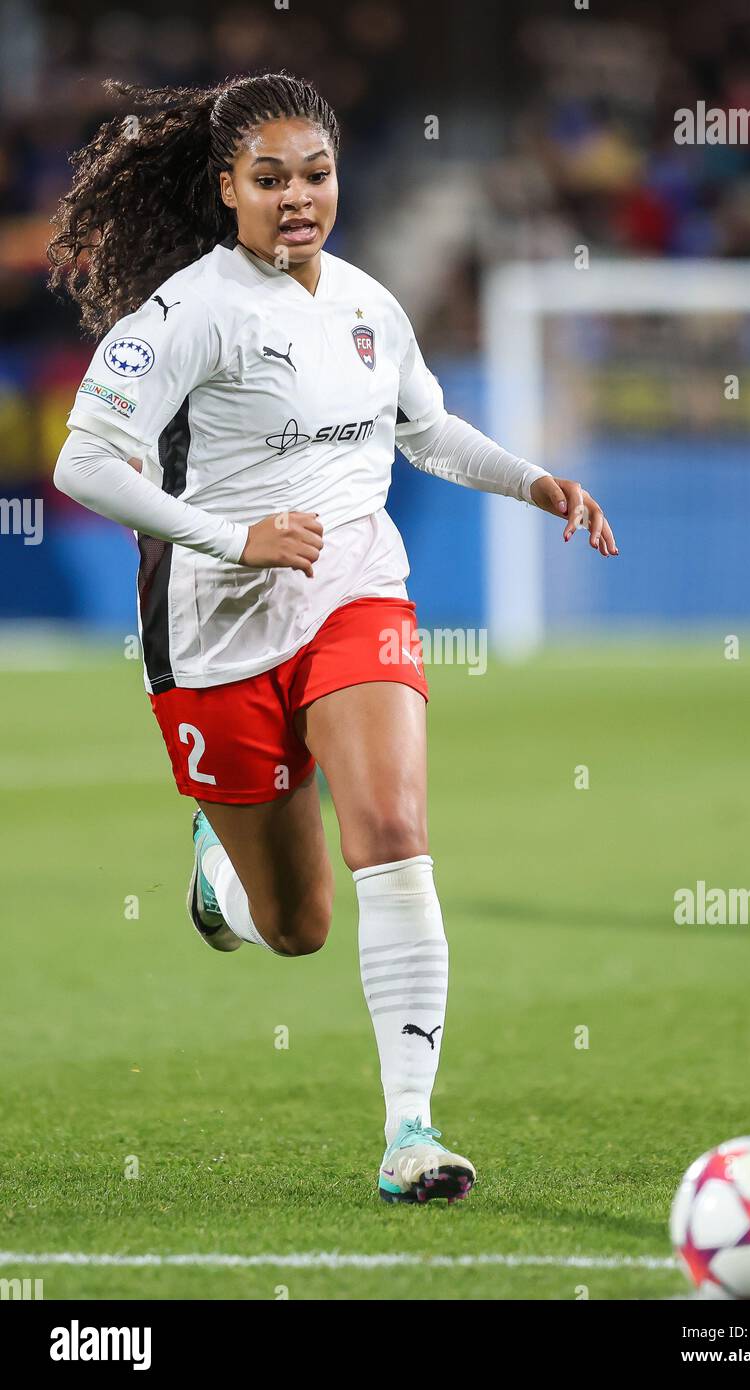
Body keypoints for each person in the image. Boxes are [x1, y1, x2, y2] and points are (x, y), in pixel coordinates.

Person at [49, 72, 618, 1206]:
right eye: (270, 180)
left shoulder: (366, 302)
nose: (298, 197)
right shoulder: (183, 312)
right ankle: (225, 880)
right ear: (227, 189)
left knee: (393, 829)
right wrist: (233, 536)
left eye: (315, 174)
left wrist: (534, 482)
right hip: (217, 628)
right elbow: (81, 463)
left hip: (357, 587)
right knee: (297, 925)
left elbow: (423, 428)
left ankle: (411, 1132)